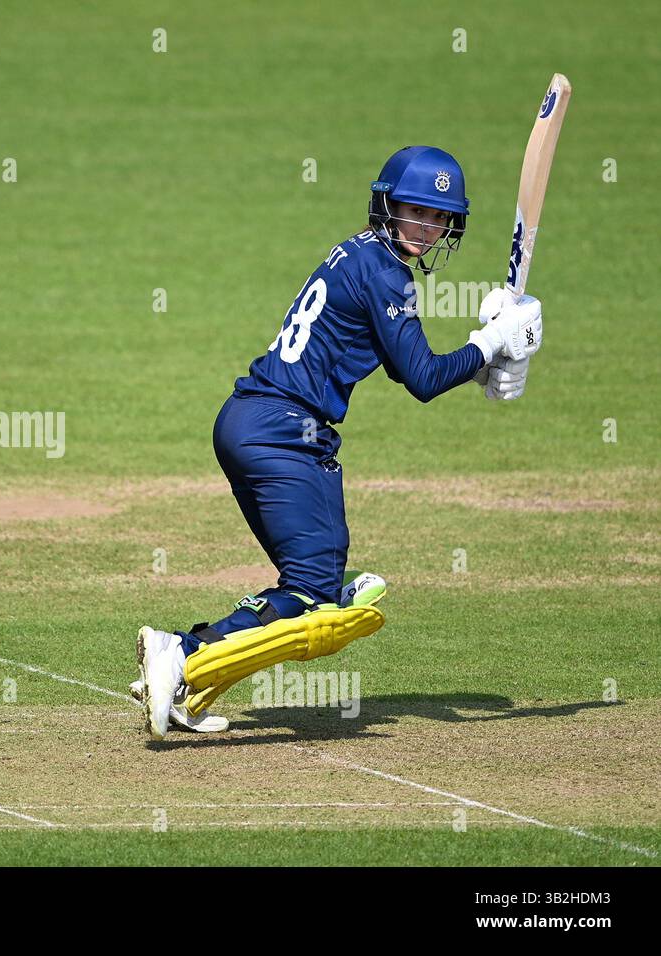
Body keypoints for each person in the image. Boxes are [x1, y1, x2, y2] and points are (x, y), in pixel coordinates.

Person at [137, 146, 543, 738]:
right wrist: (491, 342)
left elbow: (411, 363)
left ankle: (187, 679)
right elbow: (424, 380)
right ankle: (181, 652)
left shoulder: (358, 253)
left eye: (438, 218)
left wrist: (487, 358)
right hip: (286, 433)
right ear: (386, 204)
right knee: (311, 596)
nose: (427, 229)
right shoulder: (386, 274)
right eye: (415, 211)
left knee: (305, 587)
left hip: (247, 421)